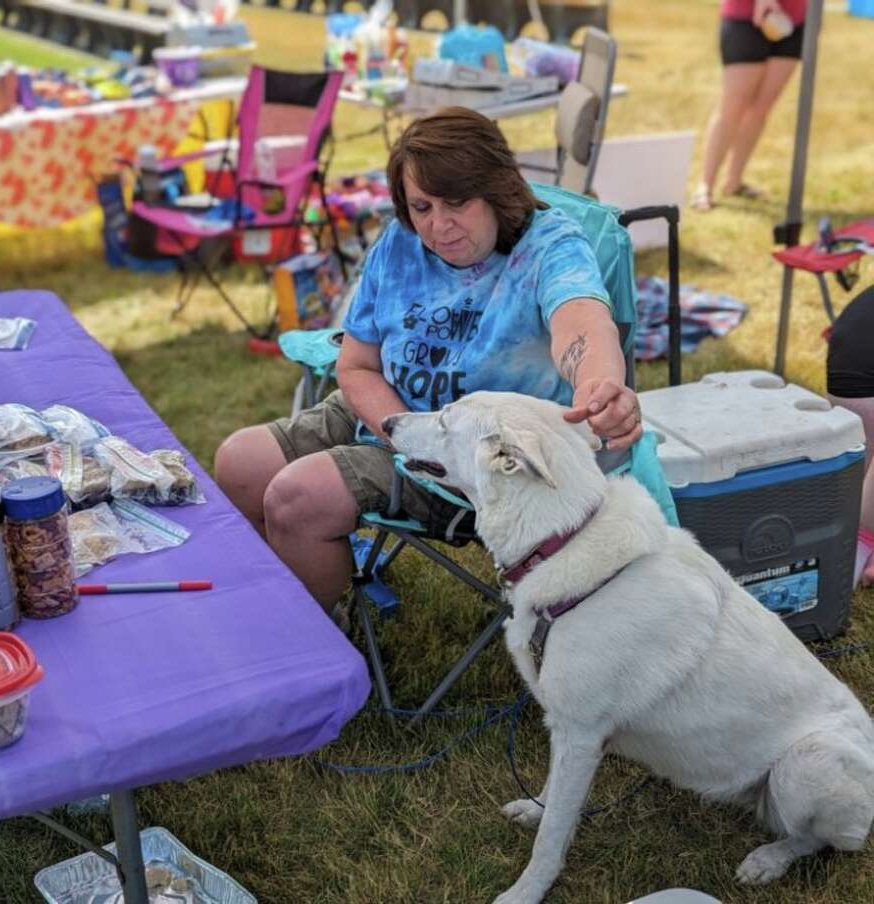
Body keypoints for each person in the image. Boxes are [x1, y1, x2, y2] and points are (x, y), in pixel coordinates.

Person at [214, 108, 642, 616]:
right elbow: (356, 366)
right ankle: (305, 584)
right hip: (384, 411)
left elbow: (582, 325)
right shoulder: (399, 242)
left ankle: (325, 640)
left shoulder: (550, 247)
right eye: (421, 207)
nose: (438, 226)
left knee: (296, 497)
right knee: (237, 464)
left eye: (456, 202)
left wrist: (599, 387)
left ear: (496, 191)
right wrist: (400, 432)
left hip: (472, 458)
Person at [692, 0, 807, 211]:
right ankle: (705, 186)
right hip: (746, 18)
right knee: (732, 107)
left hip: (793, 21)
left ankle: (734, 182)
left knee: (762, 107)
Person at [825, 285, 874, 586]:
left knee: (860, 461)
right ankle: (860, 552)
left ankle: (845, 544)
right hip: (866, 387)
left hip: (839, 385)